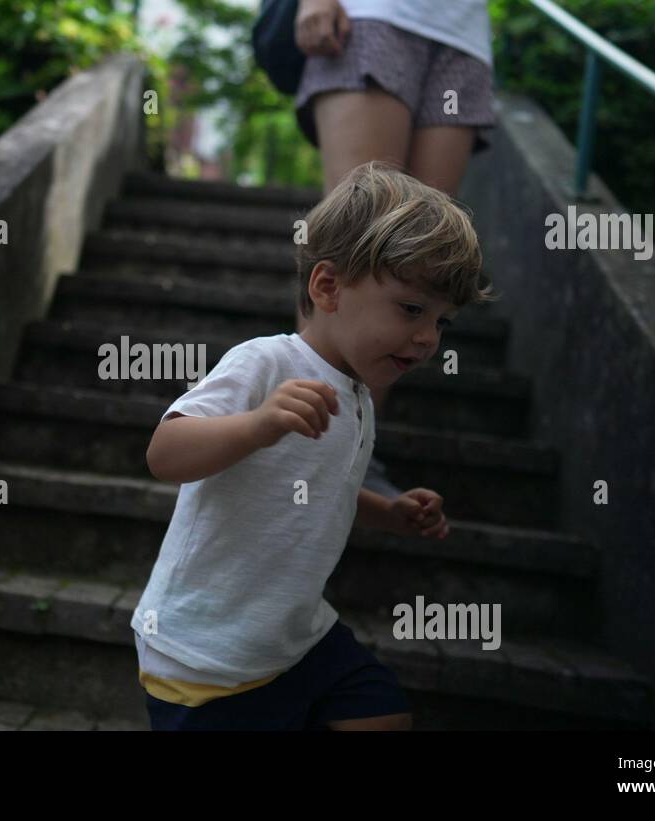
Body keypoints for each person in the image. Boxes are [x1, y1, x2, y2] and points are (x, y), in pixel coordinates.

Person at [131, 162, 497, 730]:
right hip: (205, 651)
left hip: (295, 636)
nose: (427, 338)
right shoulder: (267, 362)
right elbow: (164, 453)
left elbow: (329, 492)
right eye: (410, 309)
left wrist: (390, 513)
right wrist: (258, 424)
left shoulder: (359, 396)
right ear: (327, 287)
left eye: (442, 321)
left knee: (383, 715)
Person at [292, 0, 497, 497]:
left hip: (462, 37)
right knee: (358, 245)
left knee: (421, 263)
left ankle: (356, 447)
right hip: (370, 18)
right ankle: (308, 446)